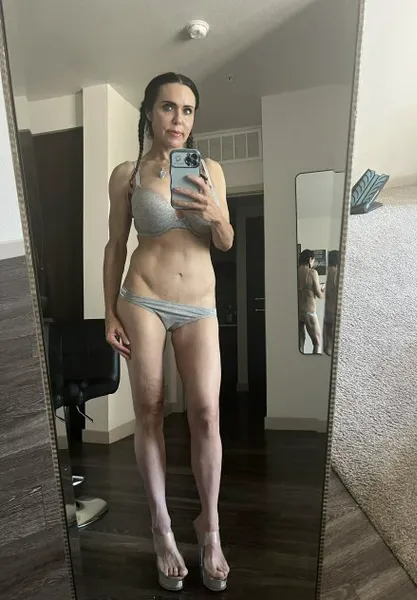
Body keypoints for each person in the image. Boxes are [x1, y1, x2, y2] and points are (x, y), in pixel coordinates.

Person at [103, 72, 233, 592]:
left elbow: (224, 241)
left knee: (206, 412)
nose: (179, 119)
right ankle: (161, 525)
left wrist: (217, 214)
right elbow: (116, 245)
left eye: (188, 110)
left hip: (199, 305)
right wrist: (109, 312)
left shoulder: (211, 170)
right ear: (149, 112)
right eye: (168, 107)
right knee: (150, 408)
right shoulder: (127, 174)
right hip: (143, 299)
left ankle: (209, 527)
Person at [297, 249, 325, 354]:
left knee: (300, 344)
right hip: (309, 312)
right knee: (317, 342)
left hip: (297, 312)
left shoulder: (295, 272)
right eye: (313, 260)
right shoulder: (312, 272)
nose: (313, 263)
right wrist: (323, 291)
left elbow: (305, 288)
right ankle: (314, 363)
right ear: (310, 259)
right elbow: (318, 294)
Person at [324, 250, 339, 355]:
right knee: (334, 332)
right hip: (334, 307)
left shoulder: (325, 272)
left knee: (328, 330)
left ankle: (328, 348)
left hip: (326, 308)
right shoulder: (336, 273)